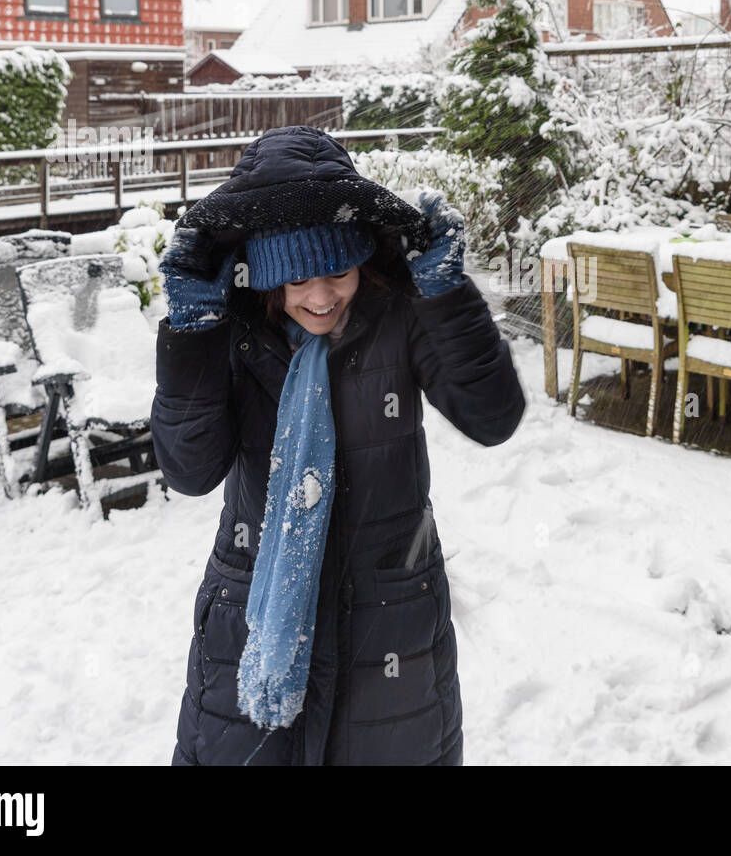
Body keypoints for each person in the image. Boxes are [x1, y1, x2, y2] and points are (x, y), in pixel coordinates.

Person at [153, 124, 527, 764]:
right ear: (267, 279)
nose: (321, 297)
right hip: (252, 612)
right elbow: (188, 471)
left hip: (388, 619)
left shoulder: (399, 318)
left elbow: (491, 416)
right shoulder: (228, 335)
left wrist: (447, 295)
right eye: (296, 282)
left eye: (337, 271)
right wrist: (191, 337)